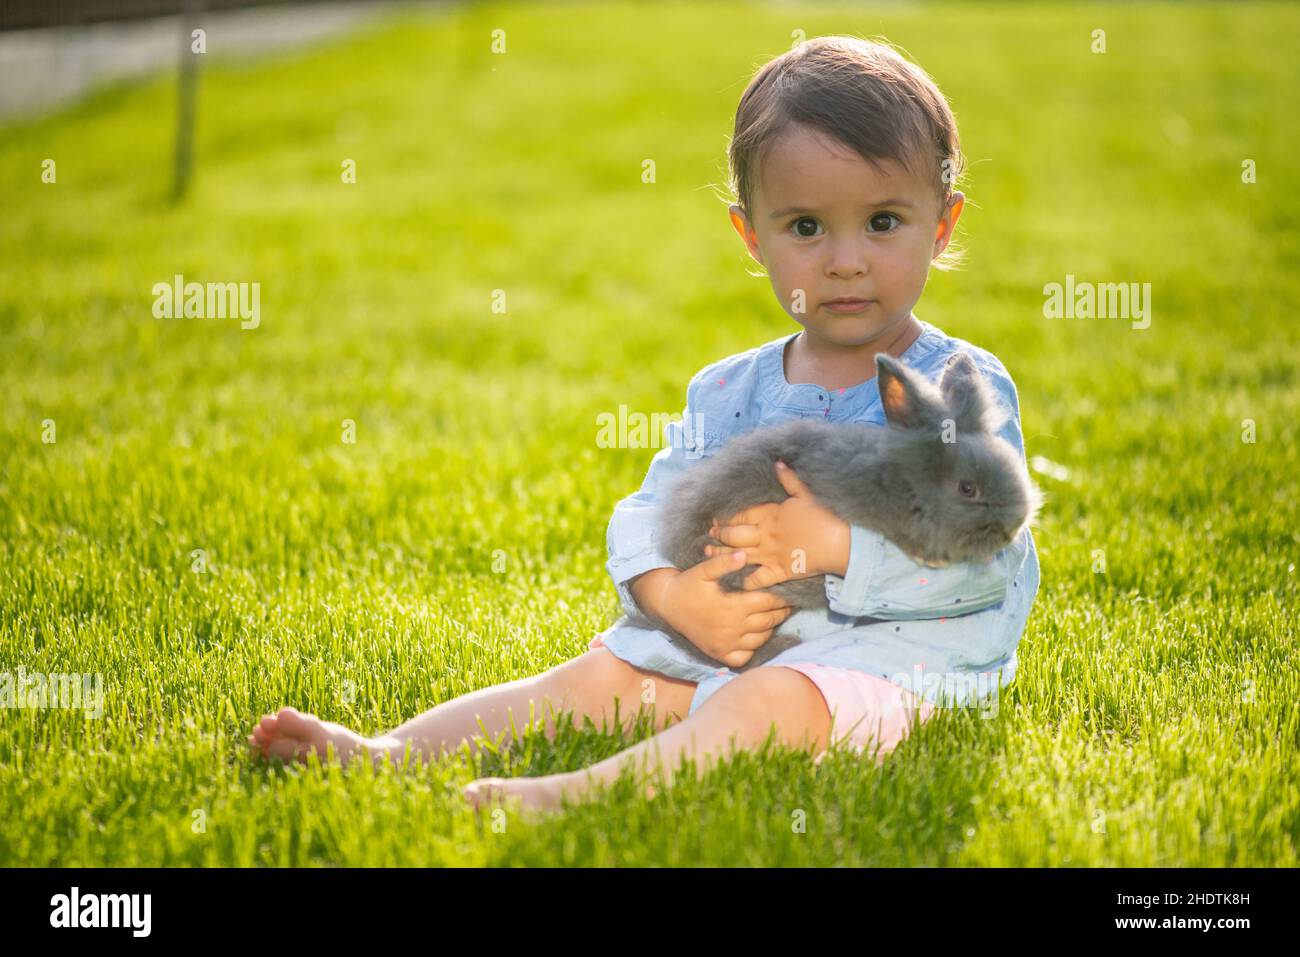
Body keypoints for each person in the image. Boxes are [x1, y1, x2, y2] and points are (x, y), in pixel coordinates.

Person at [249, 35, 1041, 816]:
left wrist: (840, 547)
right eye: (805, 227)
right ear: (751, 234)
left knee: (771, 703)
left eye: (882, 222)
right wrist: (673, 596)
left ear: (941, 225)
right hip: (725, 640)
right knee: (595, 681)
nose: (844, 260)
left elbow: (992, 562)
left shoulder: (957, 389)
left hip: (890, 664)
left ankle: (567, 798)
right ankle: (390, 753)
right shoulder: (728, 388)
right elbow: (650, 512)